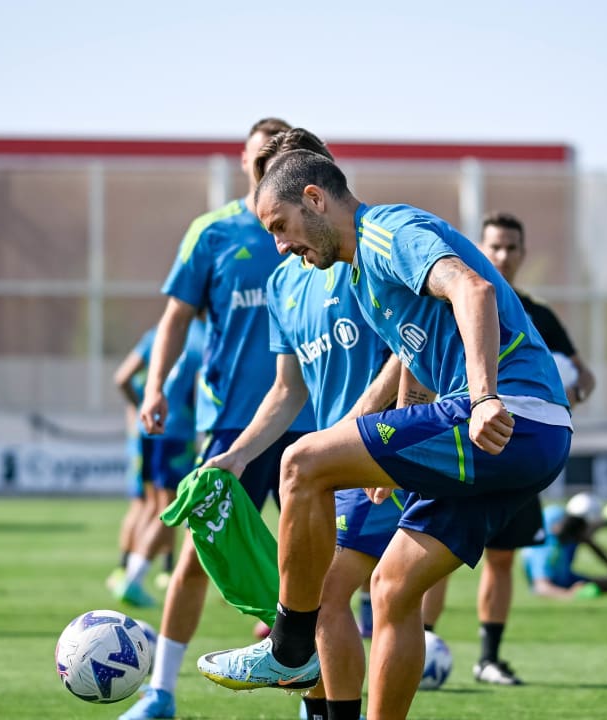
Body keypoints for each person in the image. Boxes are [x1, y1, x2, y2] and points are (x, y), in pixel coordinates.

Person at [197, 146, 573, 720]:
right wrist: (393, 456)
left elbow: (472, 290)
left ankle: (290, 648)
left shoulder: (387, 232)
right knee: (393, 588)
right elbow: (418, 356)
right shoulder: (360, 274)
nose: (280, 245)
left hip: (512, 418)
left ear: (315, 199)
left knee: (299, 463)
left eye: (280, 225)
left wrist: (483, 398)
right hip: (525, 435)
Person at [199, 127, 401, 720]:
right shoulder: (283, 282)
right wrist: (237, 455)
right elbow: (288, 390)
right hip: (328, 470)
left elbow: (413, 346)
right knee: (353, 602)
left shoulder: (366, 254)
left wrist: (376, 419)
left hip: (382, 455)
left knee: (325, 596)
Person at [120, 118, 317, 720]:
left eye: (279, 160)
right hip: (234, 425)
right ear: (244, 162)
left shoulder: (319, 229)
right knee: (194, 560)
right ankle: (160, 693)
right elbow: (176, 317)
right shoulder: (213, 233)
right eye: (260, 160)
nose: (268, 170)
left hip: (316, 421)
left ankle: (321, 701)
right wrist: (156, 385)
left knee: (325, 571)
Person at [420, 211, 597, 685]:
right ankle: (420, 647)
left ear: (522, 253)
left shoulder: (538, 314)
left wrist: (567, 392)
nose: (502, 255)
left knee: (502, 557)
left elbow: (585, 377)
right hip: (460, 445)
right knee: (433, 552)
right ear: (480, 248)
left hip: (518, 453)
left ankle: (489, 659)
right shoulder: (455, 299)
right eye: (494, 246)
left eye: (510, 247)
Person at [106, 318, 205, 607]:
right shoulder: (205, 336)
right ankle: (133, 579)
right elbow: (202, 390)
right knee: (169, 508)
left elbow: (122, 377)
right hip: (177, 433)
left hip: (148, 428)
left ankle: (128, 569)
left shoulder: (158, 333)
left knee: (149, 504)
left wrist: (141, 407)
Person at [520, 503, 607, 599]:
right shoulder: (546, 549)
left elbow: (592, 545)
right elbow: (541, 587)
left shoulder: (558, 516)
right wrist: (569, 594)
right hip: (556, 583)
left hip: (567, 578)